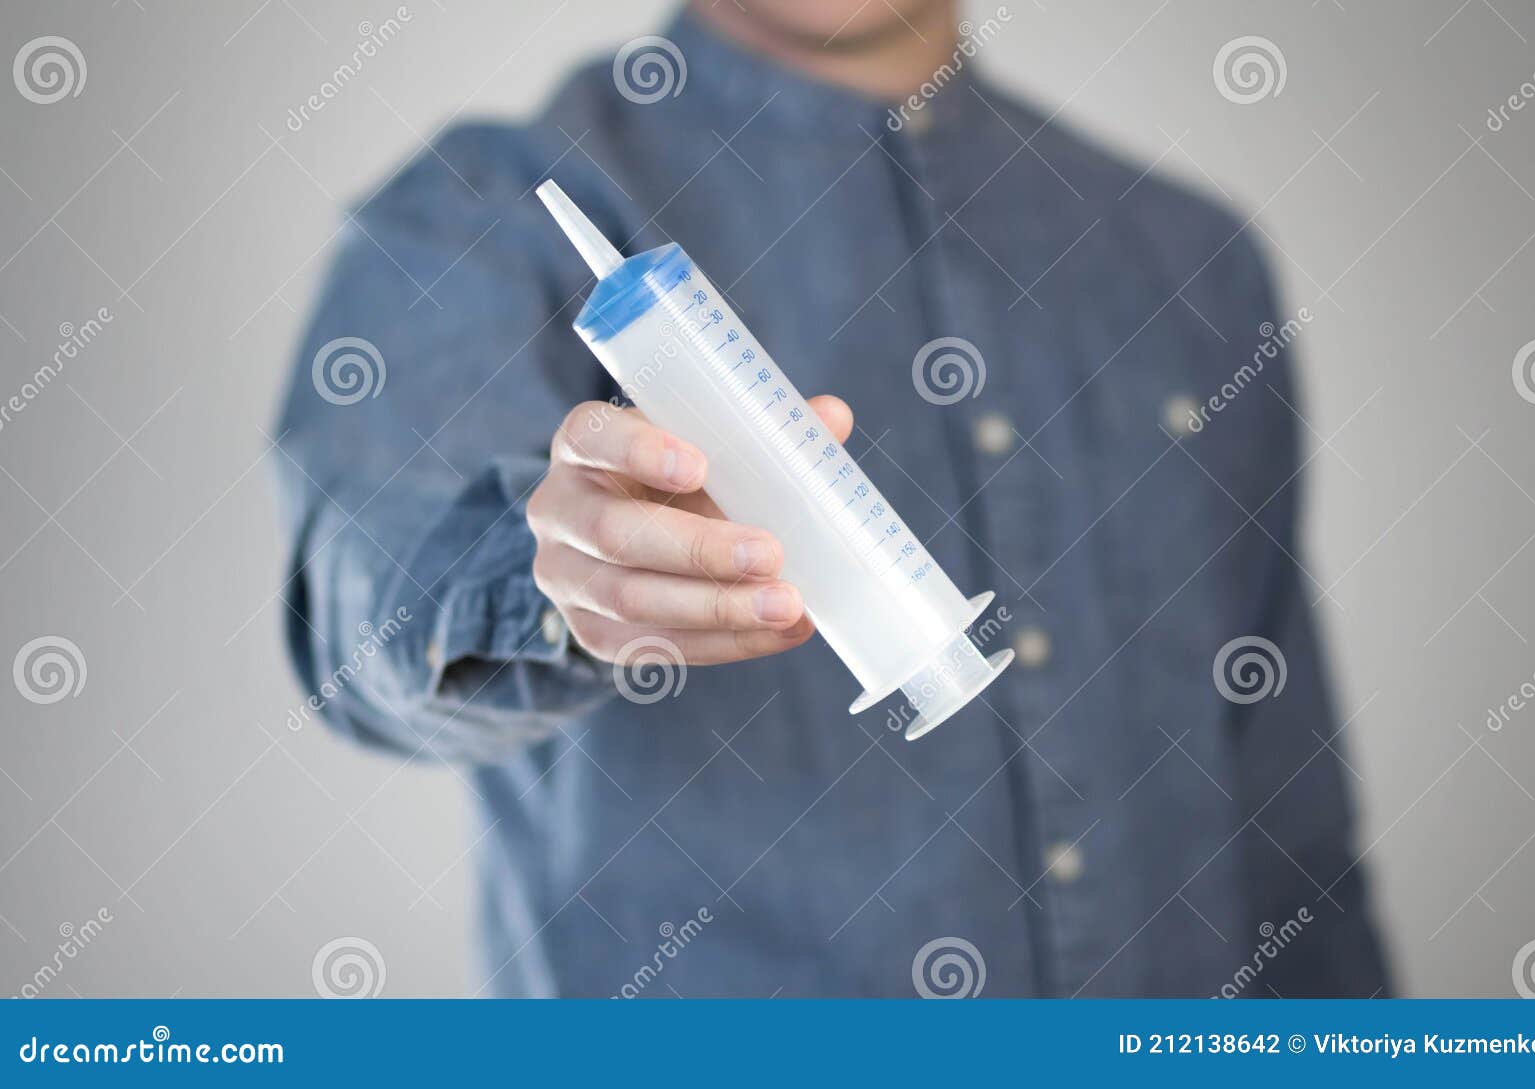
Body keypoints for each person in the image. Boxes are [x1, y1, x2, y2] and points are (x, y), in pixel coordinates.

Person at [273, 0, 1388, 997]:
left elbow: (1286, 827)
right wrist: (562, 583)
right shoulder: (473, 218)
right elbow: (366, 616)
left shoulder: (1188, 259)